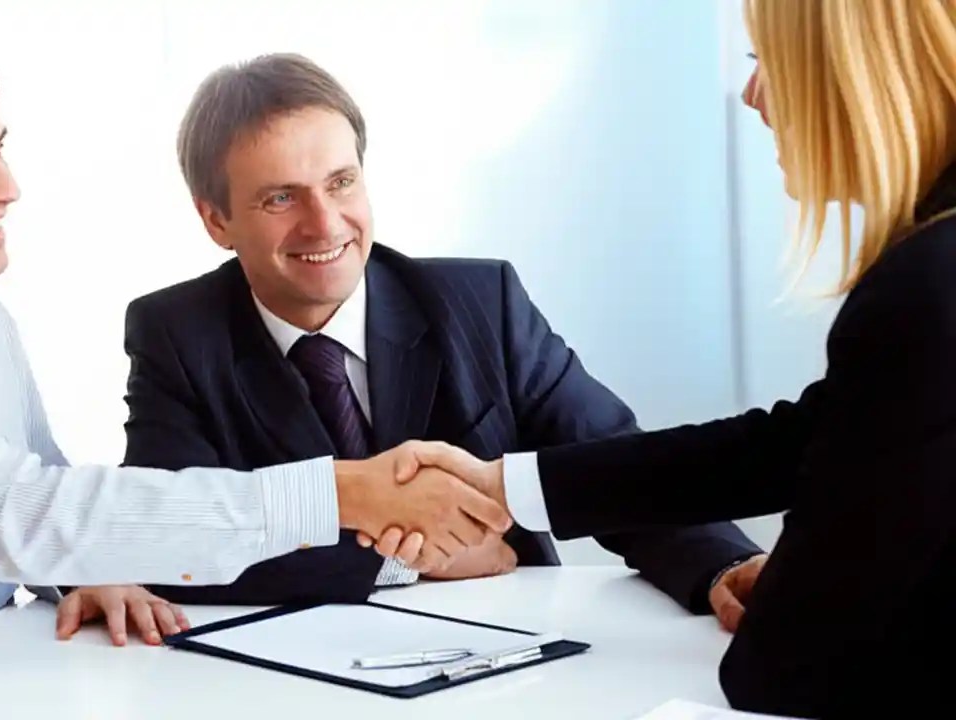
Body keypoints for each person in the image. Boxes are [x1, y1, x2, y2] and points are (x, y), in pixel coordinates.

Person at [0, 26, 510, 720]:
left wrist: (86, 569)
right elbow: (20, 512)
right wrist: (340, 492)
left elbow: (43, 497)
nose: (8, 187)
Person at [373, 1, 956, 715]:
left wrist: (795, 593)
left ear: (854, 73)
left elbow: (784, 667)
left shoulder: (926, 290)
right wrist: (501, 486)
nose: (753, 96)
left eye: (769, 64)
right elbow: (807, 437)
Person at [56, 53, 759, 624]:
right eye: (281, 198)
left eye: (341, 182)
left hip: (509, 646)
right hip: (292, 676)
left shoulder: (481, 303)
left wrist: (724, 566)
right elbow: (168, 540)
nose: (324, 223)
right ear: (216, 220)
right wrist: (404, 561)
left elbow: (615, 467)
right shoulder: (177, 334)